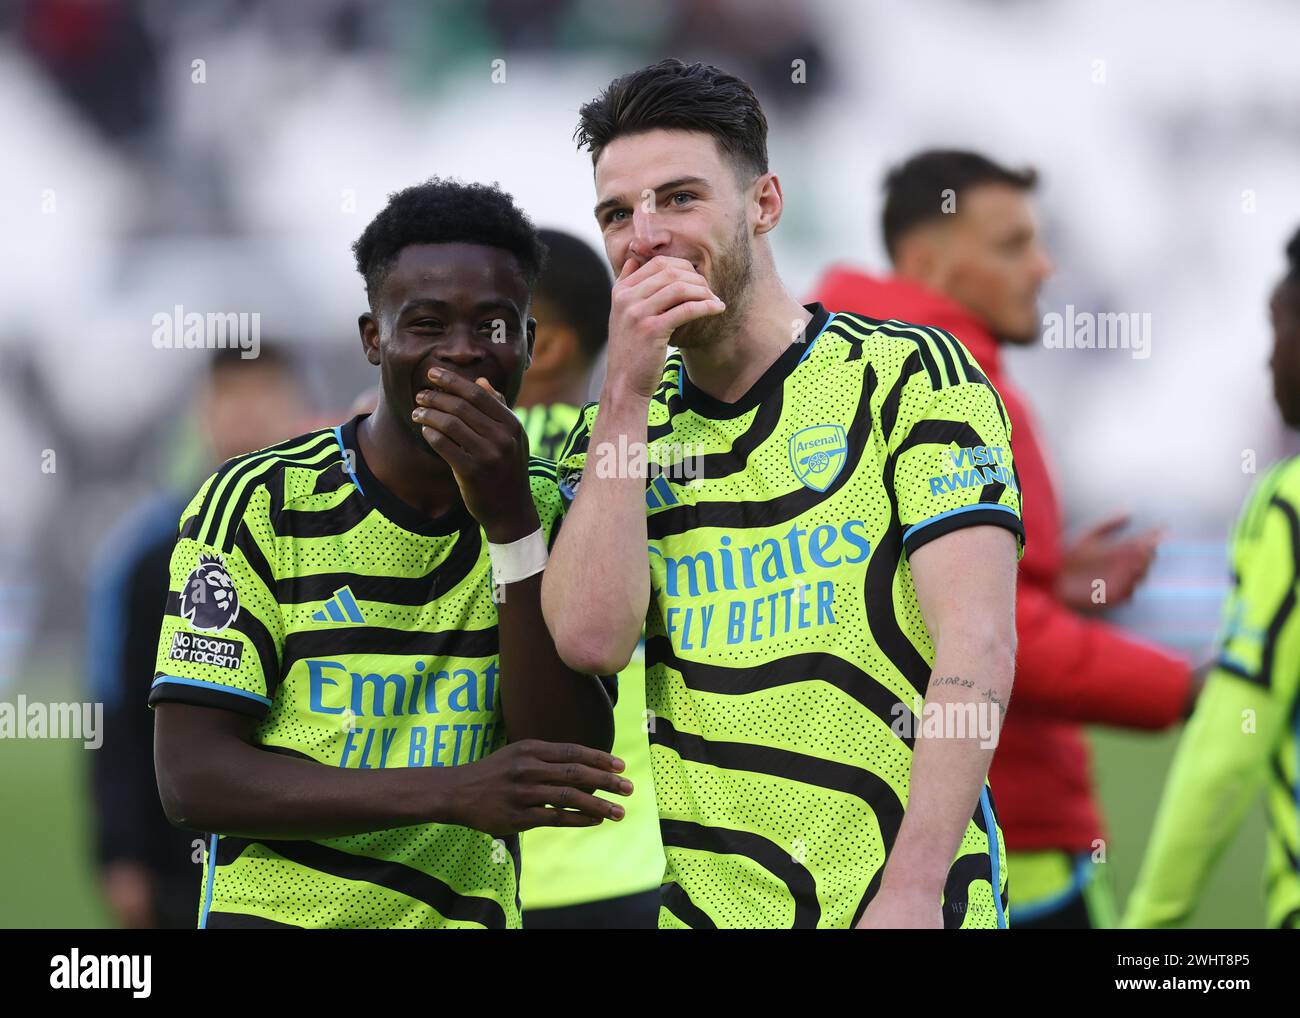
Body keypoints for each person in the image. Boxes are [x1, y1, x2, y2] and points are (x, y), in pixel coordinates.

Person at [542, 60, 1023, 929]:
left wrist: (911, 890)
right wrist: (622, 401)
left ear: (763, 204)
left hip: (909, 907)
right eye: (617, 213)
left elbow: (979, 644)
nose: (644, 236)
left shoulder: (909, 376)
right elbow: (591, 639)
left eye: (680, 197)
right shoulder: (617, 435)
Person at [150, 179, 627, 929]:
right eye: (427, 324)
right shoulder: (259, 502)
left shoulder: (543, 506)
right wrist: (452, 790)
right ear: (374, 338)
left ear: (529, 342)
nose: (463, 351)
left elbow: (565, 754)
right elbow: (192, 778)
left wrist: (509, 527)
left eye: (494, 326)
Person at [810, 149, 1197, 928]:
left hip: (868, 827)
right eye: (1013, 245)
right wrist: (1189, 690)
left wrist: (1047, 574)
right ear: (929, 261)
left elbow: (897, 590)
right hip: (998, 835)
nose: (1045, 267)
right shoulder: (956, 389)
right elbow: (990, 634)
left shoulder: (825, 368)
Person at [90, 345, 309, 928]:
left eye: (263, 394)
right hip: (182, 861)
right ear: (201, 412)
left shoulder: (332, 538)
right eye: (229, 396)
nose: (246, 415)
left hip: (314, 857)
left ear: (297, 409)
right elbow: (116, 714)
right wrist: (122, 854)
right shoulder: (145, 554)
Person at [1123, 228, 1300, 930]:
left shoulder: (1290, 503)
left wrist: (1150, 926)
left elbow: (1232, 738)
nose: (1270, 359)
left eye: (1278, 327)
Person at [516, 228, 664, 929]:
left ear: (545, 345)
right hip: (643, 855)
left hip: (498, 869)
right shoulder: (641, 447)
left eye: (481, 323)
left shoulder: (445, 462)